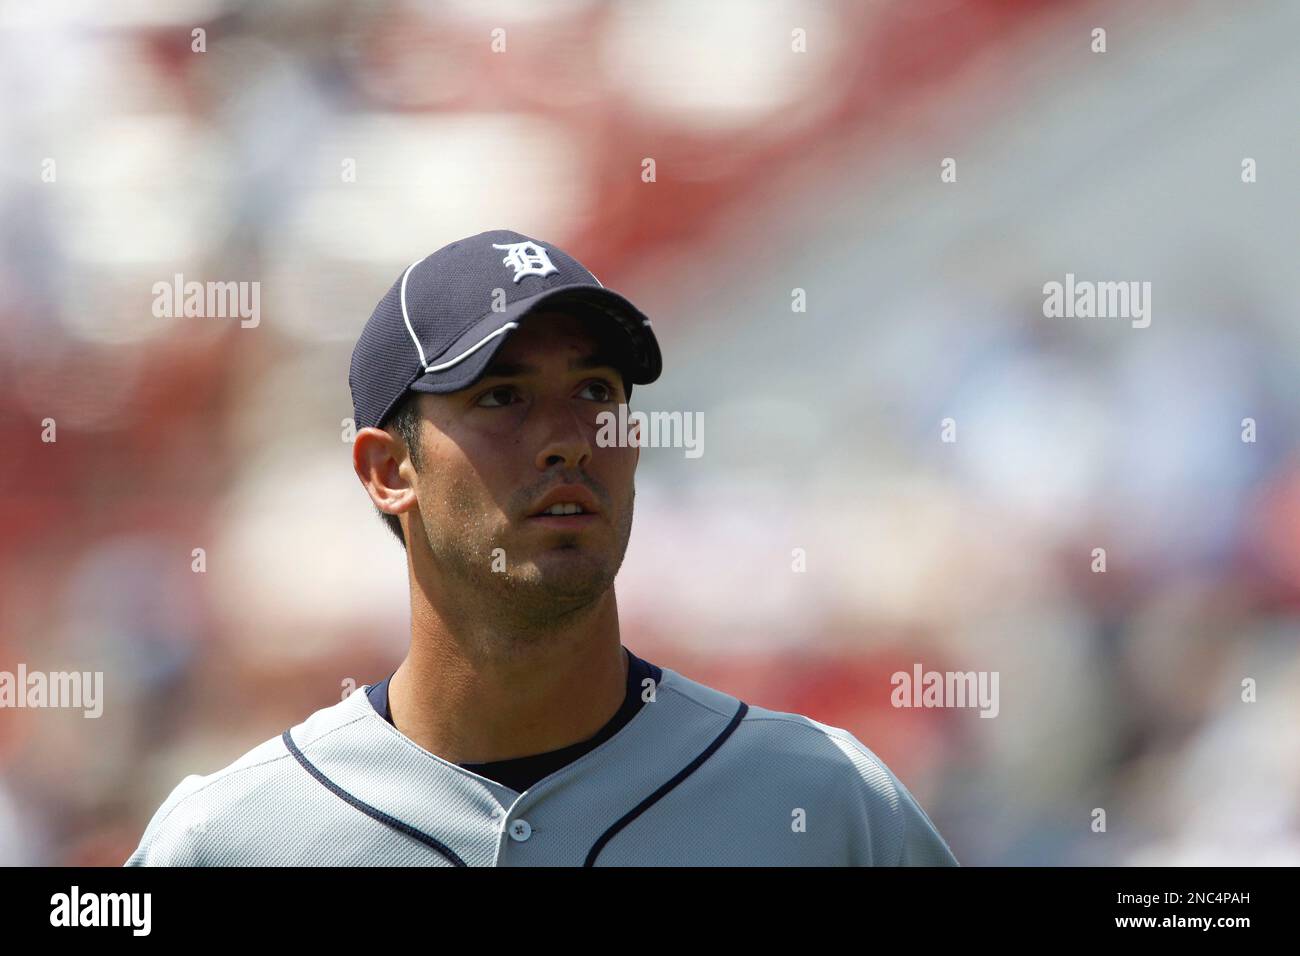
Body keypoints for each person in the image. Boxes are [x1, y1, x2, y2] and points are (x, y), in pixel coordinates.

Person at [124, 229, 958, 866]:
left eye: (596, 392)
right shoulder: (231, 840)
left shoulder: (826, 800)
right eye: (502, 396)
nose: (568, 440)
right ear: (388, 470)